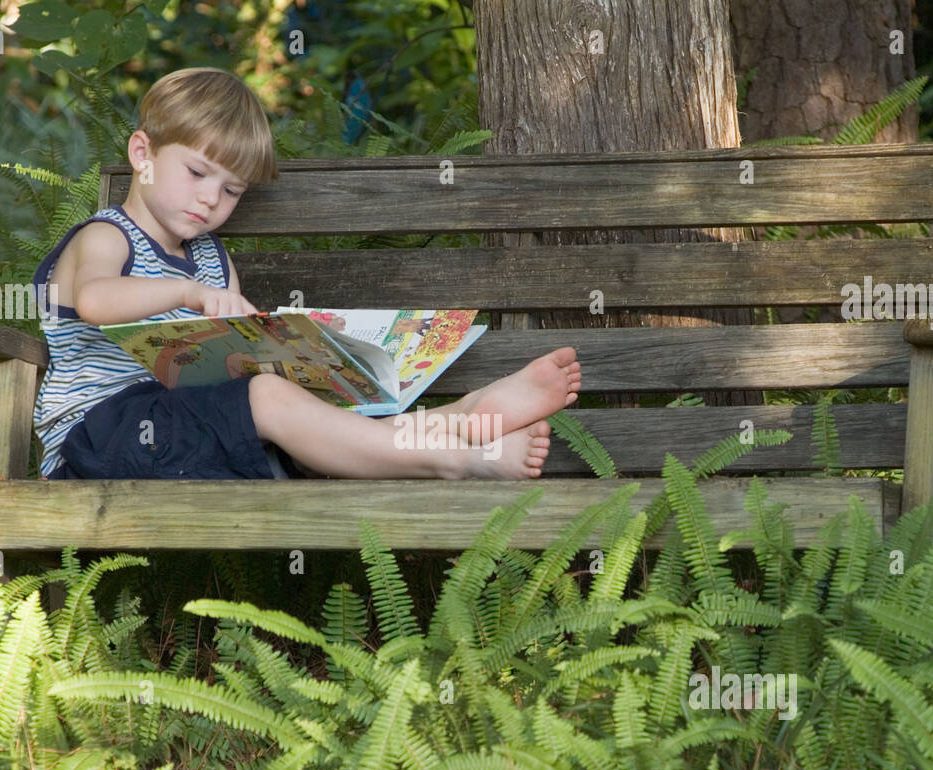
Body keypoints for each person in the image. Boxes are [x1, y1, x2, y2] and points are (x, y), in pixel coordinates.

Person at [33, 67, 581, 482]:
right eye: (197, 172)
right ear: (142, 154)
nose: (210, 198)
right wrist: (188, 294)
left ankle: (467, 421)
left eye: (231, 190)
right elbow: (94, 300)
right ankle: (449, 459)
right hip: (100, 441)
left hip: (198, 434)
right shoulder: (107, 236)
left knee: (299, 412)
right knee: (266, 400)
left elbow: (231, 361)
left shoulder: (211, 260)